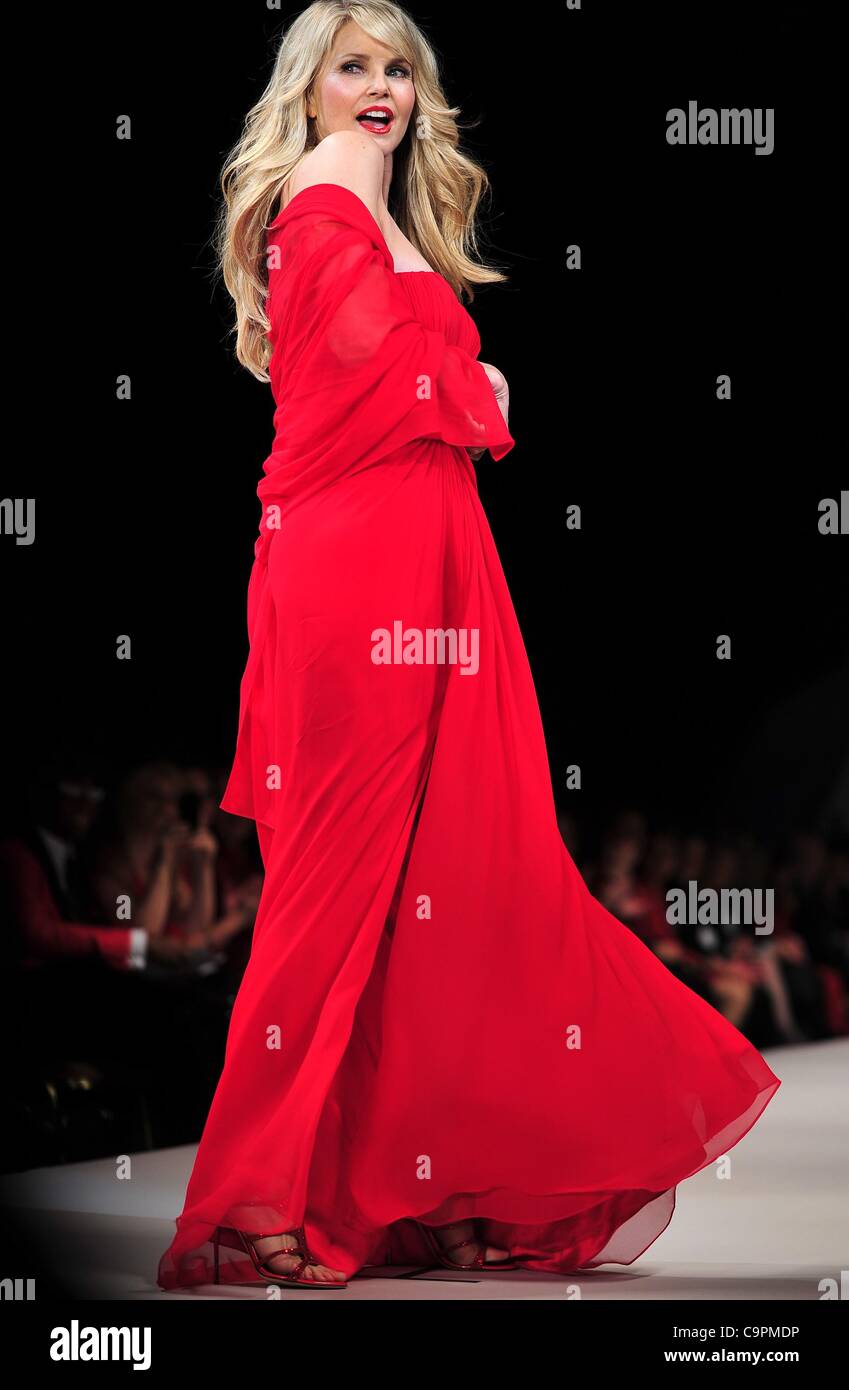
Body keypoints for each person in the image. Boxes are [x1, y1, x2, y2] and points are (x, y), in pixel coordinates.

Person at [157, 2, 780, 1291]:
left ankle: (423, 1180)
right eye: (354, 67)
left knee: (450, 881)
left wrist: (453, 382)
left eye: (398, 69)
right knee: (340, 894)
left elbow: (353, 367)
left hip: (425, 570)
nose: (379, 88)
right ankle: (243, 1202)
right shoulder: (328, 188)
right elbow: (336, 379)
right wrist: (475, 391)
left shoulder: (387, 215)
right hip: (367, 569)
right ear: (310, 89)